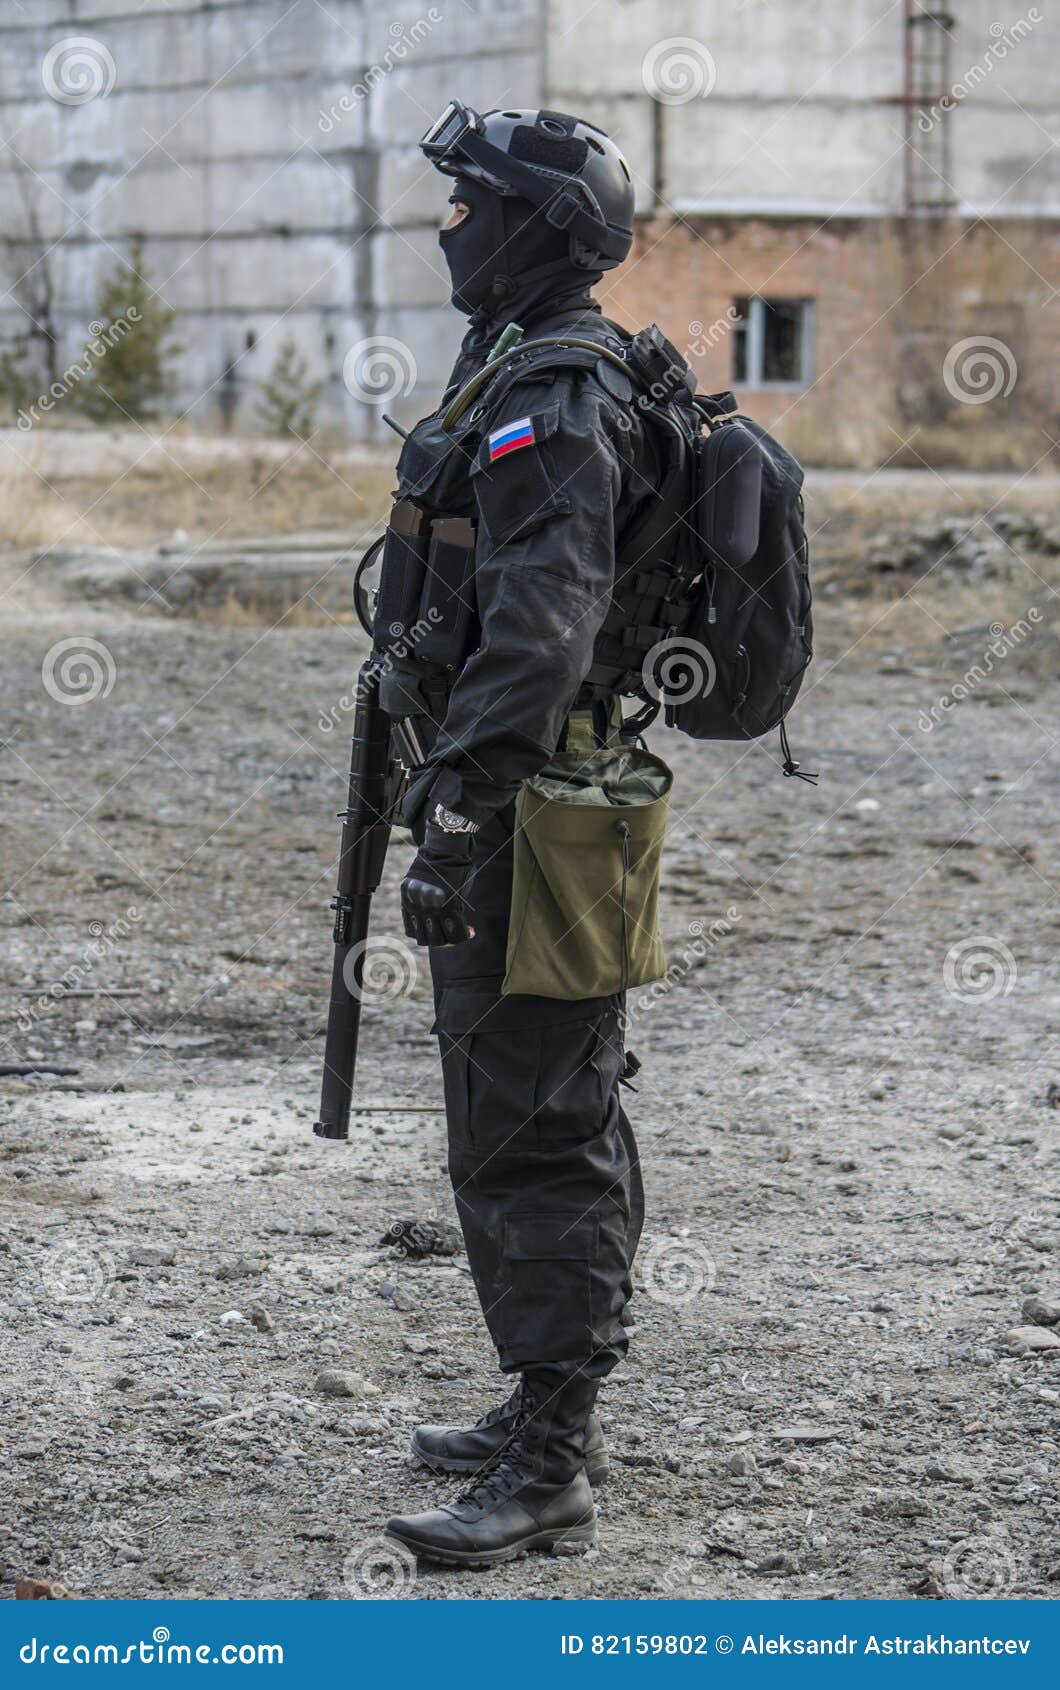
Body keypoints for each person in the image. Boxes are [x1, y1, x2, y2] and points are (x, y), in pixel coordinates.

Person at [382, 102, 677, 1570]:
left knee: (535, 1121)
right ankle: (537, 1404)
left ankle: (553, 1459)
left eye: (470, 202)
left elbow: (542, 633)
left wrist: (460, 804)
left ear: (532, 229)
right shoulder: (520, 362)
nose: (449, 223)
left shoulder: (552, 394)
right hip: (521, 802)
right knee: (528, 1106)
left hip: (532, 817)